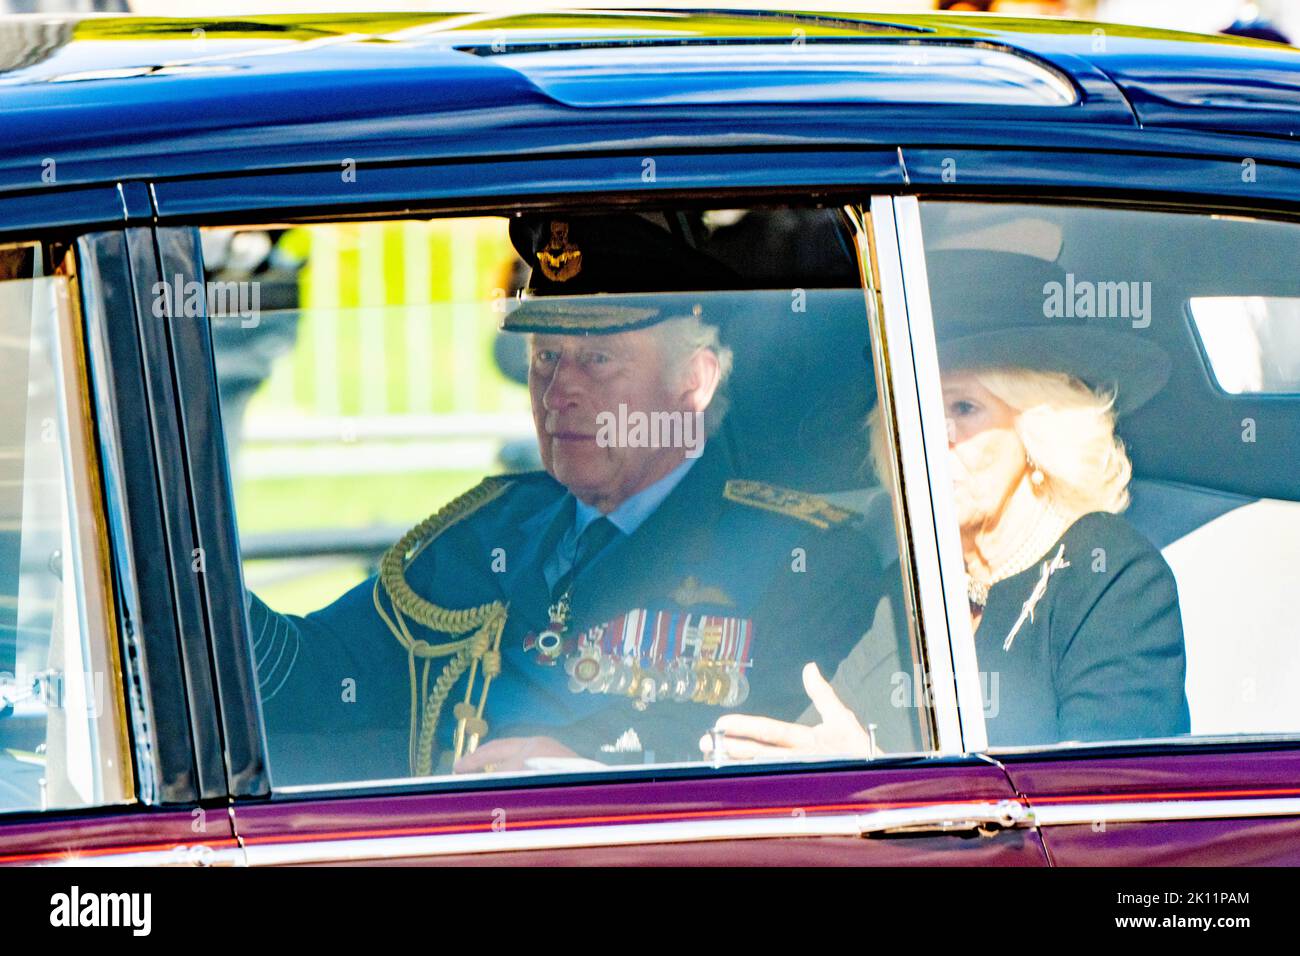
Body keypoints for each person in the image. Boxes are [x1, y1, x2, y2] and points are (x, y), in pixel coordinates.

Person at [249, 213, 916, 784]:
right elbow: (312, 678)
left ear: (694, 381)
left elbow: (774, 770)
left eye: (597, 360)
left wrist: (586, 769)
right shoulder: (487, 530)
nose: (558, 391)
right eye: (547, 357)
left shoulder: (801, 559)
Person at [705, 250, 1191, 758]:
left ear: (1038, 427)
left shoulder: (1112, 576)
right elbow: (822, 737)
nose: (932, 437)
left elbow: (1104, 795)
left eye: (964, 407)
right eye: (916, 411)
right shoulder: (913, 588)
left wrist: (875, 777)